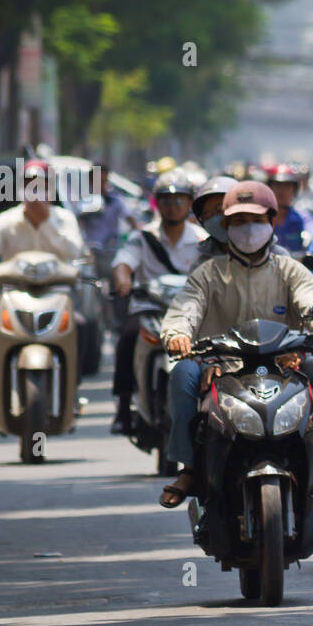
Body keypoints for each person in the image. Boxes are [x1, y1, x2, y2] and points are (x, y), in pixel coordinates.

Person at [157, 181, 313, 510]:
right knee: (182, 371)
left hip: (284, 366)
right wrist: (177, 334)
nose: (248, 229)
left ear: (271, 222)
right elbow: (184, 310)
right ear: (225, 226)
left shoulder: (291, 270)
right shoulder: (208, 273)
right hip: (219, 367)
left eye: (256, 220)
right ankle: (189, 467)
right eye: (238, 221)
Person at [0, 159, 92, 387]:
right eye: (29, 185)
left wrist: (46, 222)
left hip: (56, 296)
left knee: (81, 326)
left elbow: (75, 251)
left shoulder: (64, 219)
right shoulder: (6, 221)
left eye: (41, 185)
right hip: (14, 296)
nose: (35, 191)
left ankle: (72, 383)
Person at [108, 170, 208, 434]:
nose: (172, 206)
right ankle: (123, 408)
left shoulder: (202, 240)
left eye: (179, 200)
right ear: (156, 203)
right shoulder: (142, 237)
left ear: (190, 203)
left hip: (190, 313)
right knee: (128, 338)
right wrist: (123, 280)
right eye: (166, 200)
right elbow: (123, 262)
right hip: (148, 309)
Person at [265, 163, 310, 255]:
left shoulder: (302, 218)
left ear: (294, 190)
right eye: (277, 186)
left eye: (286, 186)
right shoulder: (260, 218)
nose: (281, 191)